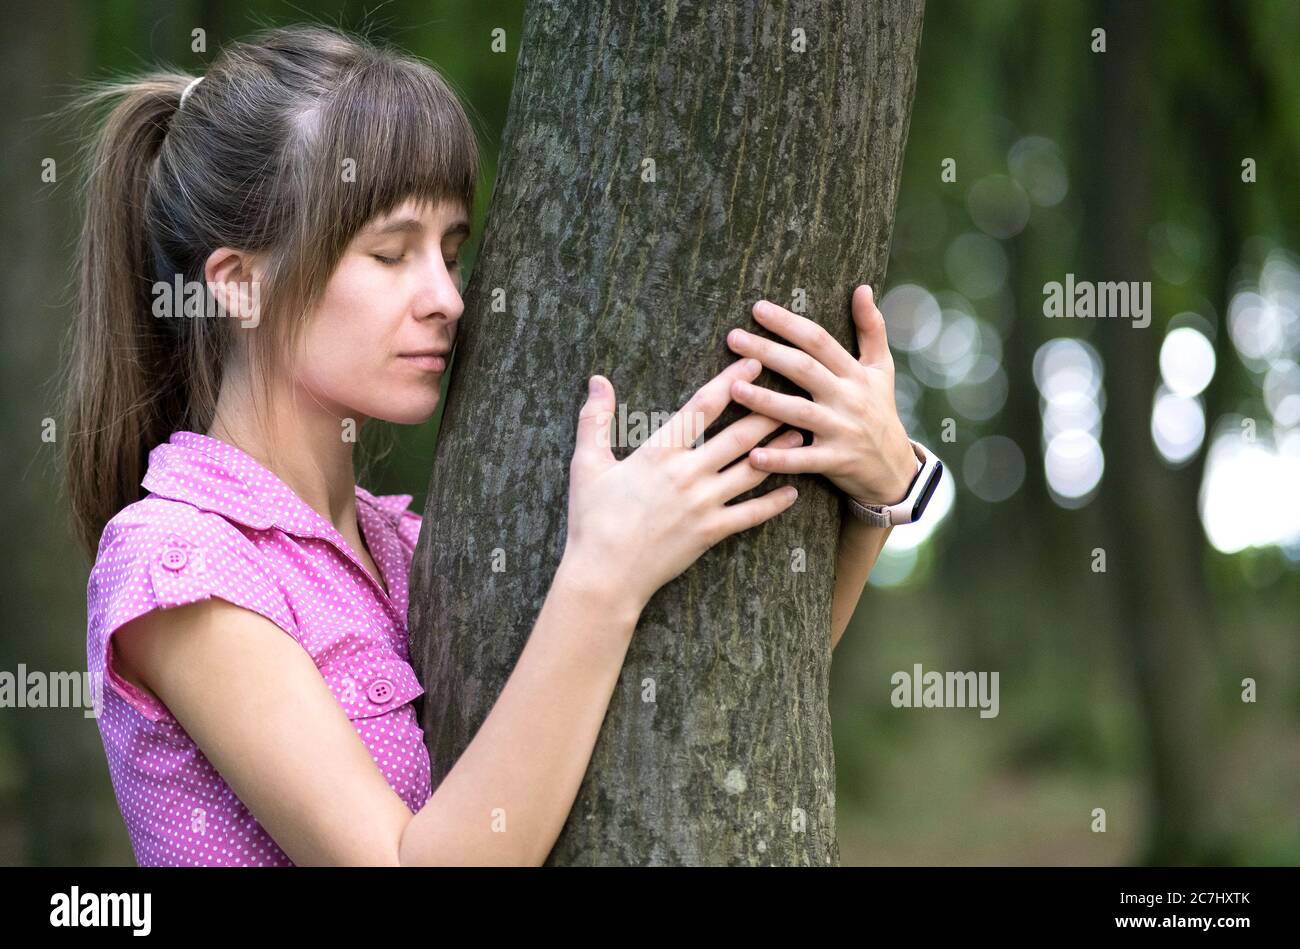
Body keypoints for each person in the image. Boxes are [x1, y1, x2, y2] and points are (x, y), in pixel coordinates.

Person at [64, 24, 920, 866]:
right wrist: (603, 576)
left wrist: (877, 495)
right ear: (239, 283)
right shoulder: (181, 564)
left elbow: (697, 687)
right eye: (391, 253)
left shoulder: (405, 547)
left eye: (451, 251)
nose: (447, 297)